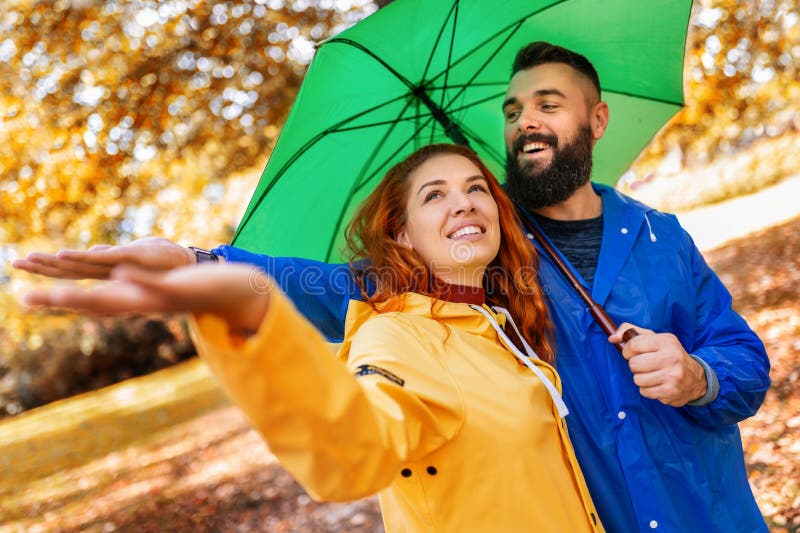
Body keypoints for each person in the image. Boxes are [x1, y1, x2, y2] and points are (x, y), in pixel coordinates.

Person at [15, 42, 770, 532]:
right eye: (512, 111)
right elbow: (328, 290)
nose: (526, 122)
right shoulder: (486, 261)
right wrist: (201, 263)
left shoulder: (662, 238)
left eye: (548, 104)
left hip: (708, 513)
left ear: (597, 119)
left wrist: (698, 375)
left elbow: (745, 360)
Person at [24, 144, 605, 532]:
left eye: (476, 188)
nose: (464, 202)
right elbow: (353, 454)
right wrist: (232, 297)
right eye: (434, 195)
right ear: (402, 236)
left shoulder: (502, 327)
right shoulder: (398, 338)